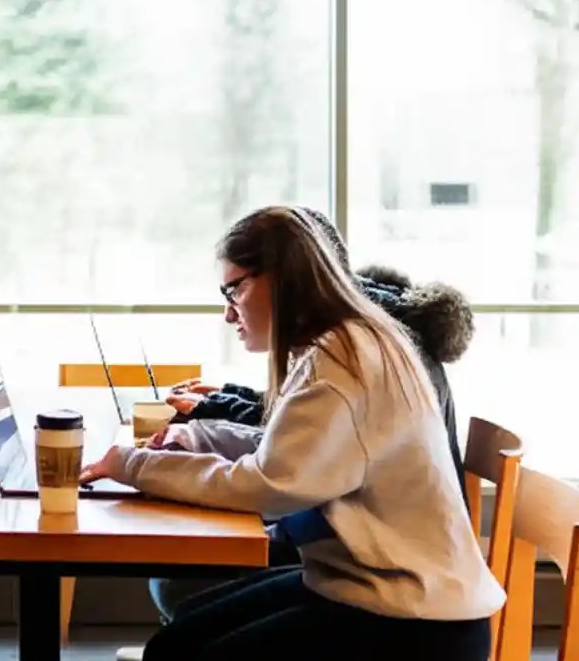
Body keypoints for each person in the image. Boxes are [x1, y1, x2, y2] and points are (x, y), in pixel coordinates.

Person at [81, 206, 503, 660]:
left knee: (178, 652)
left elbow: (267, 488)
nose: (228, 312)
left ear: (283, 278)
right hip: (373, 588)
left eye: (234, 289)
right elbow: (291, 454)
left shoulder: (344, 363)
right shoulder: (343, 342)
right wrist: (200, 440)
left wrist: (134, 465)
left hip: (414, 621)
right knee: (181, 634)